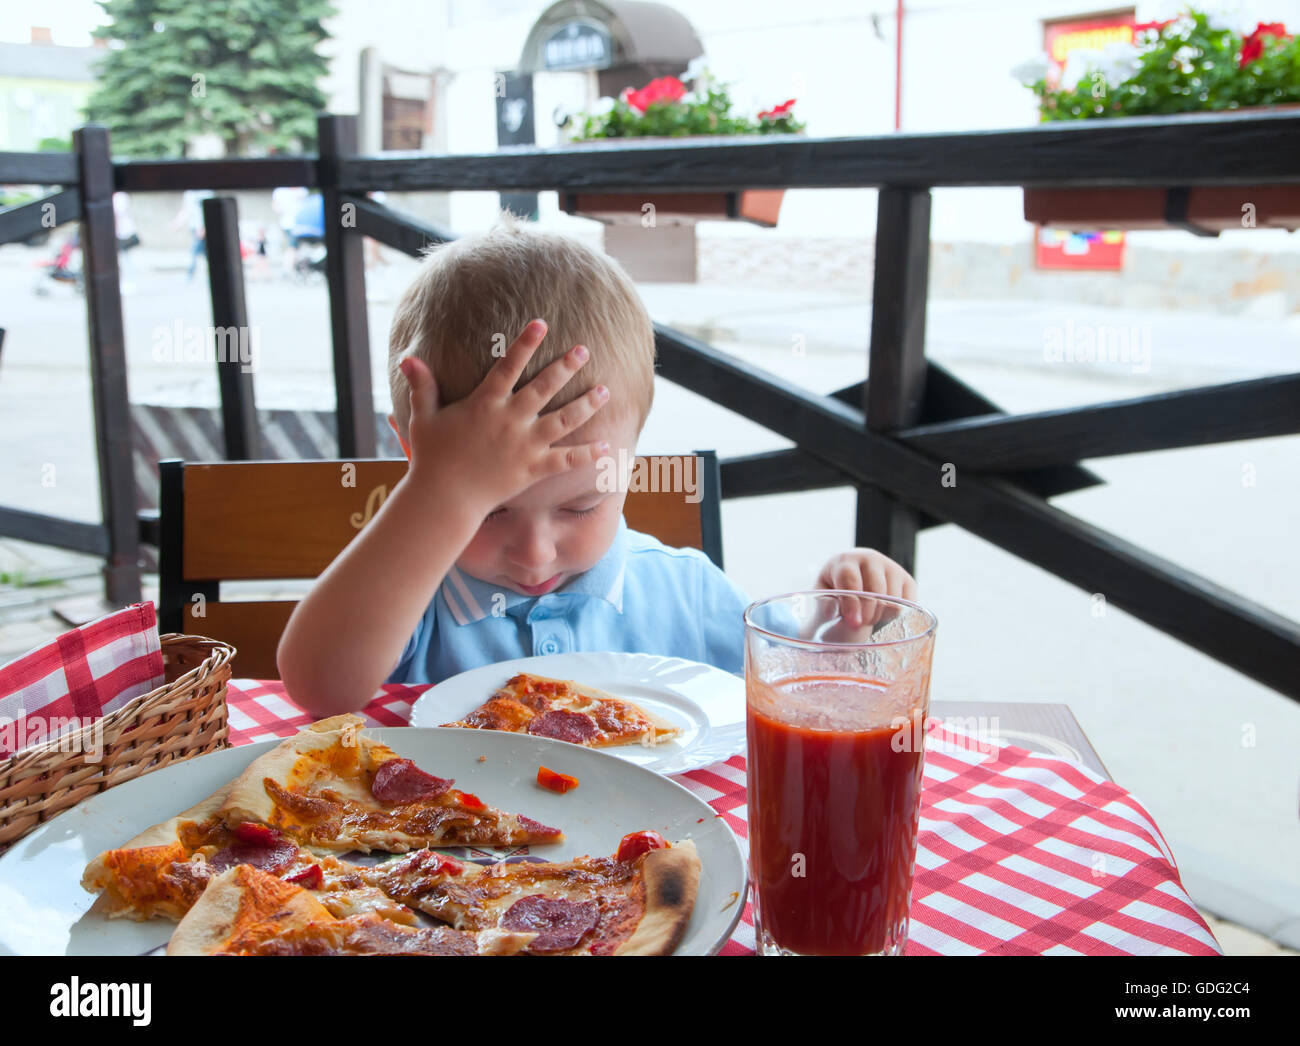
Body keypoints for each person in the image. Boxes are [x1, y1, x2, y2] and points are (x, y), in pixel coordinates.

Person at [277, 213, 917, 716]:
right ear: (416, 458)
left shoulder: (686, 594)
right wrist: (437, 497)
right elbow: (318, 684)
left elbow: (803, 697)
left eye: (579, 506)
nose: (533, 554)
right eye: (489, 508)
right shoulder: (414, 604)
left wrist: (842, 623)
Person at [170, 188, 212, 281]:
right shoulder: (189, 194)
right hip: (194, 228)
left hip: (203, 228)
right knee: (204, 252)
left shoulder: (206, 192)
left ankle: (190, 273)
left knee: (196, 251)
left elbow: (209, 211)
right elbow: (186, 210)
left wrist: (203, 227)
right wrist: (177, 223)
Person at [112, 191, 139, 294]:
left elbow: (117, 214)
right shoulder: (122, 195)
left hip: (123, 232)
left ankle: (128, 283)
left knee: (124, 258)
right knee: (124, 258)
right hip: (123, 231)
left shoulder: (119, 196)